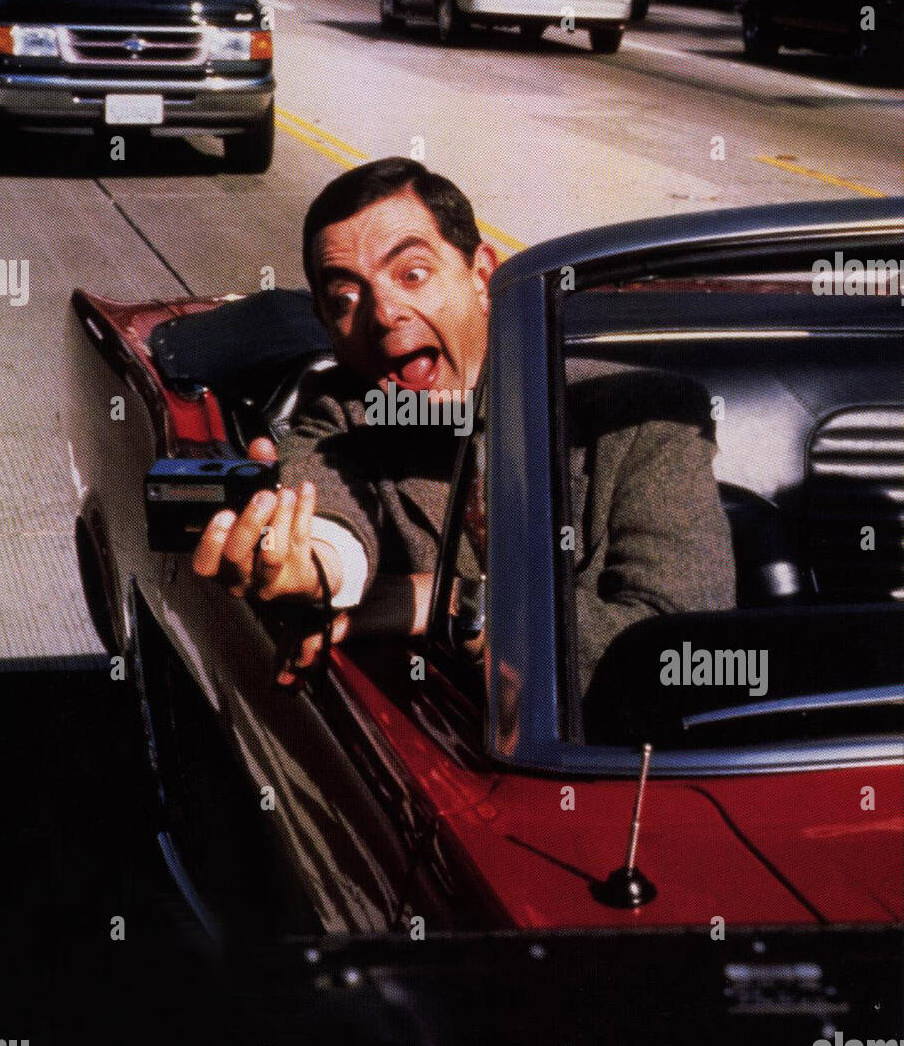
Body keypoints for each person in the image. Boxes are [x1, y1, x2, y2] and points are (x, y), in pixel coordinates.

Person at [192, 157, 736, 687]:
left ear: (482, 278)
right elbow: (328, 516)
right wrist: (309, 563)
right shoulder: (341, 416)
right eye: (345, 299)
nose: (384, 313)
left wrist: (454, 601)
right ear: (327, 328)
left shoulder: (644, 415)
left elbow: (686, 656)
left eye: (413, 274)